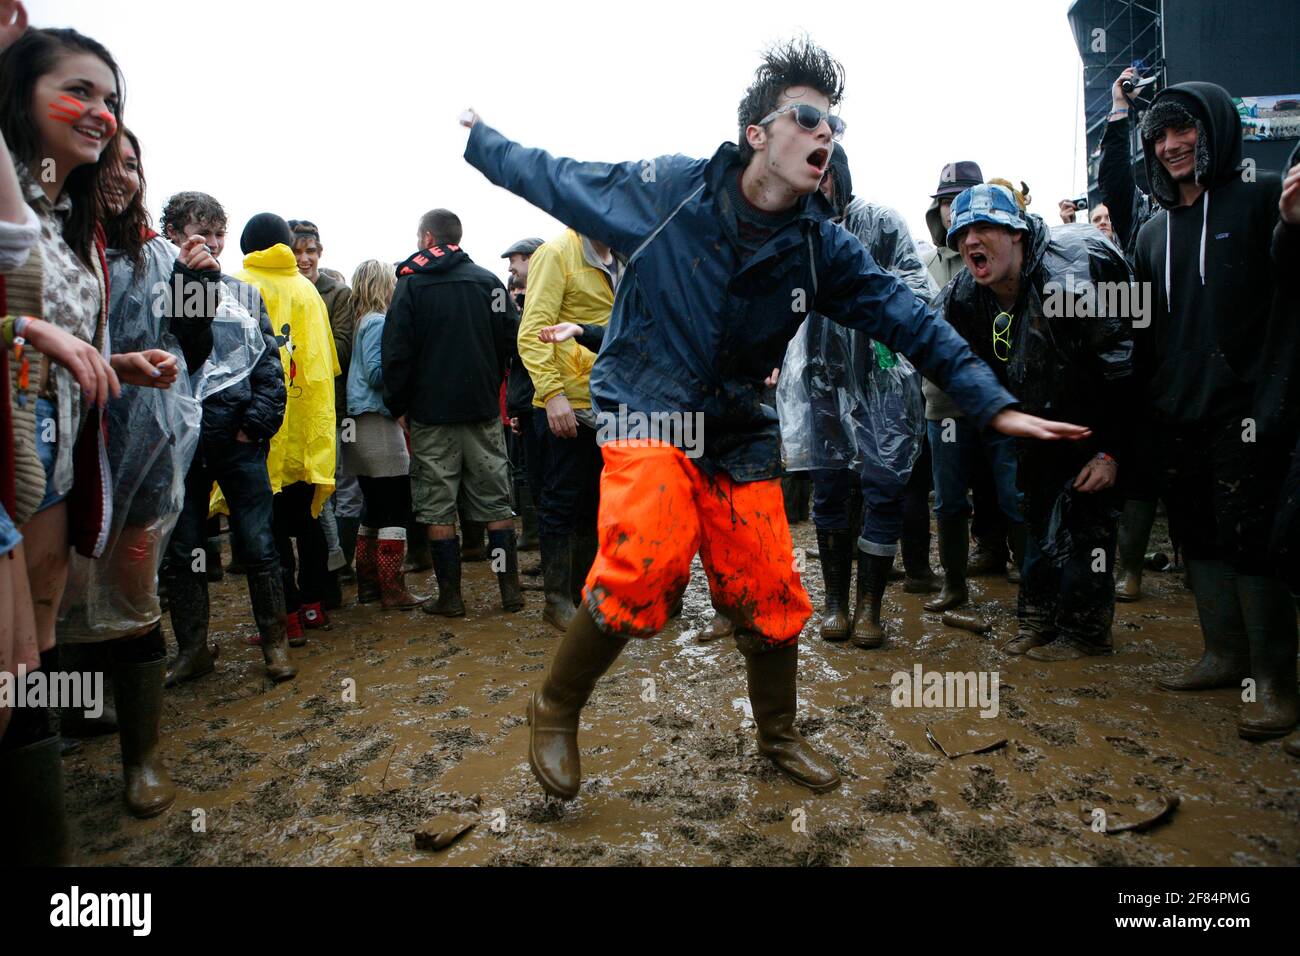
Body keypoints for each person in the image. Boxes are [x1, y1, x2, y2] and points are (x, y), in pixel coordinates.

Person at [461, 38, 1090, 799]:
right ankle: (556, 705)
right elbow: (559, 177)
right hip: (650, 409)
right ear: (756, 133)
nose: (825, 134)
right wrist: (484, 141)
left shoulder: (820, 248)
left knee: (768, 588)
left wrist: (990, 401)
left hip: (735, 426)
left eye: (833, 125)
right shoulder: (670, 192)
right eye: (807, 118)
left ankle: (779, 733)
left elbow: (909, 319)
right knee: (648, 560)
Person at [57, 128, 226, 822]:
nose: (121, 174)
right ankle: (73, 713)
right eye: (108, 161)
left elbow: (192, 352)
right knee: (52, 599)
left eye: (132, 163)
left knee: (130, 597)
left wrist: (196, 290)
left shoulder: (158, 256)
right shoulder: (46, 244)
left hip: (139, 453)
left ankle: (142, 758)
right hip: (55, 452)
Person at [1134, 82, 1298, 741]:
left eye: (1185, 130)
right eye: (1159, 135)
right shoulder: (1151, 231)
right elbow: (1143, 328)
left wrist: (1294, 226)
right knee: (1196, 533)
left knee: (1251, 539)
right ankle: (1223, 656)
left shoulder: (1261, 201)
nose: (1170, 145)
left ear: (1217, 132)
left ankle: (1276, 685)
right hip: (1176, 411)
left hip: (1247, 410)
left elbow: (1291, 284)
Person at [939, 184, 1134, 659]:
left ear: (1017, 233)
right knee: (1037, 509)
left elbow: (1125, 369)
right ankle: (1037, 619)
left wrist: (1112, 451)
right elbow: (946, 348)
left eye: (984, 228)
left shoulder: (1071, 281)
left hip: (1095, 413)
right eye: (962, 233)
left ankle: (1086, 633)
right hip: (1035, 415)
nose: (970, 240)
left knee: (1088, 519)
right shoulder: (966, 293)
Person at [781, 145, 936, 649]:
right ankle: (835, 603)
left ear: (840, 175)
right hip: (823, 381)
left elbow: (918, 289)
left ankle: (870, 607)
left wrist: (865, 293)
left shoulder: (881, 222)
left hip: (881, 381)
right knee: (829, 488)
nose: (816, 184)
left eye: (823, 173)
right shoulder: (796, 233)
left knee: (883, 488)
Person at [159, 190, 292, 685]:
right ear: (174, 234)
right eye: (202, 233)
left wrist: (254, 424)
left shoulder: (245, 294)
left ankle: (275, 644)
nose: (213, 243)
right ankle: (193, 649)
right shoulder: (163, 291)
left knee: (258, 543)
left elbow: (270, 365)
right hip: (183, 445)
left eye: (219, 234)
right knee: (185, 550)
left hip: (238, 440)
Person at [382, 208, 523, 617]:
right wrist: (490, 381)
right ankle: (509, 592)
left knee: (438, 506)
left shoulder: (410, 285)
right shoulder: (488, 282)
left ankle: (451, 598)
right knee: (496, 504)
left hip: (431, 416)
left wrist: (398, 405)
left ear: (427, 238)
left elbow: (396, 351)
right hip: (482, 411)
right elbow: (512, 341)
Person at [234, 213, 339, 637]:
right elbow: (328, 363)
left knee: (269, 530)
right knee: (309, 521)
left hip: (257, 429)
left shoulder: (237, 285)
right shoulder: (308, 291)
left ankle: (287, 617)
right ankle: (313, 606)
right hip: (306, 430)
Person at [517, 228, 618, 630]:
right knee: (562, 500)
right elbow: (532, 331)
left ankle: (583, 592)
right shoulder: (557, 253)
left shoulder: (623, 258)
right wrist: (553, 393)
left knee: (596, 500)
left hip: (610, 401)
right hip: (568, 401)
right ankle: (556, 600)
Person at [923, 161, 1010, 580]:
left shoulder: (1002, 257)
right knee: (950, 495)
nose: (951, 208)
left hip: (998, 395)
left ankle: (1008, 557)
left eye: (960, 198)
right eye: (945, 201)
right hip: (944, 402)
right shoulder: (924, 264)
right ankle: (954, 583)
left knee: (1006, 485)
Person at [344, 259, 425, 609]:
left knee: (374, 508)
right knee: (395, 505)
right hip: (376, 422)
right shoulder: (378, 322)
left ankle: (369, 586)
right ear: (382, 285)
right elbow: (379, 373)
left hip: (358, 424)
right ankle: (393, 589)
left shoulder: (360, 321)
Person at [289, 219, 358, 602]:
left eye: (310, 251)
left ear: (320, 253)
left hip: (330, 405)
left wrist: (301, 347)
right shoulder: (281, 288)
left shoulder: (338, 294)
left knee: (332, 488)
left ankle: (335, 573)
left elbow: (343, 350)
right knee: (301, 494)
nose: (304, 259)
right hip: (290, 408)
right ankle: (315, 581)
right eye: (297, 252)